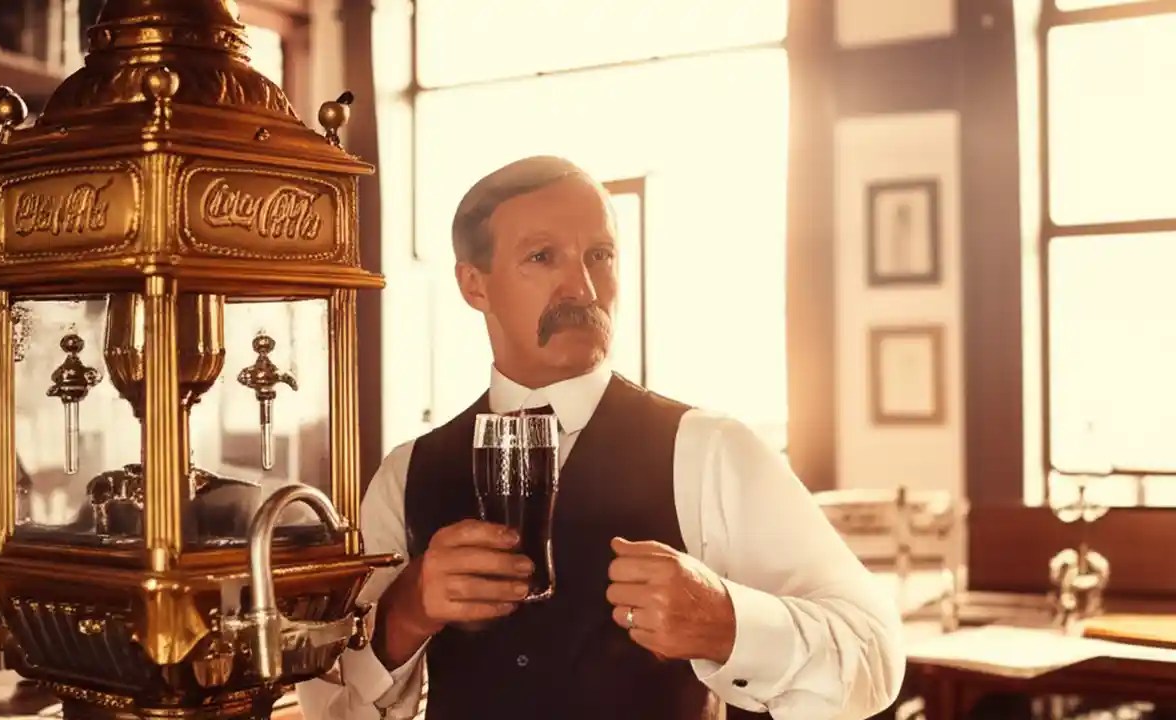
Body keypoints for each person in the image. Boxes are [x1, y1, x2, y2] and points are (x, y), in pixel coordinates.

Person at [298, 155, 905, 720]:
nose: (583, 290)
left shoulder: (709, 450)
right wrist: (405, 612)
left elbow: (875, 656)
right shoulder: (407, 474)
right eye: (542, 257)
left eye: (600, 256)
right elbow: (331, 708)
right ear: (473, 284)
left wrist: (730, 622)